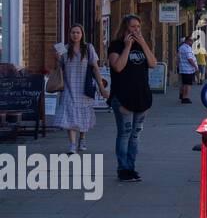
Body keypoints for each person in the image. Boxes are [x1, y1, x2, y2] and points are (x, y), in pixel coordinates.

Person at [107, 14, 157, 182]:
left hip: (141, 95)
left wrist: (142, 43)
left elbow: (153, 63)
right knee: (125, 133)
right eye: (132, 27)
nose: (136, 30)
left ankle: (131, 166)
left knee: (135, 135)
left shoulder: (142, 45)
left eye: (138, 27)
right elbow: (118, 67)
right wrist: (127, 47)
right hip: (123, 95)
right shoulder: (116, 45)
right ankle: (123, 168)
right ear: (125, 28)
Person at [52, 25, 109, 154]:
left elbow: (95, 67)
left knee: (83, 116)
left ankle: (82, 139)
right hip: (68, 87)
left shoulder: (88, 48)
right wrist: (56, 60)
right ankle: (72, 145)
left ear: (82, 34)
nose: (75, 35)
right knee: (70, 115)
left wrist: (101, 87)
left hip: (84, 87)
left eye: (78, 32)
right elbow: (58, 69)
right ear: (69, 34)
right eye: (73, 32)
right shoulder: (64, 49)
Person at [177, 35, 198, 104]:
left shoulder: (181, 47)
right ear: (186, 40)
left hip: (183, 68)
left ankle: (181, 94)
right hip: (188, 69)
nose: (192, 42)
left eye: (192, 40)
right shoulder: (187, 48)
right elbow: (189, 59)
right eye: (190, 40)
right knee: (188, 84)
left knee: (184, 83)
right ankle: (185, 97)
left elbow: (178, 58)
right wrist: (195, 66)